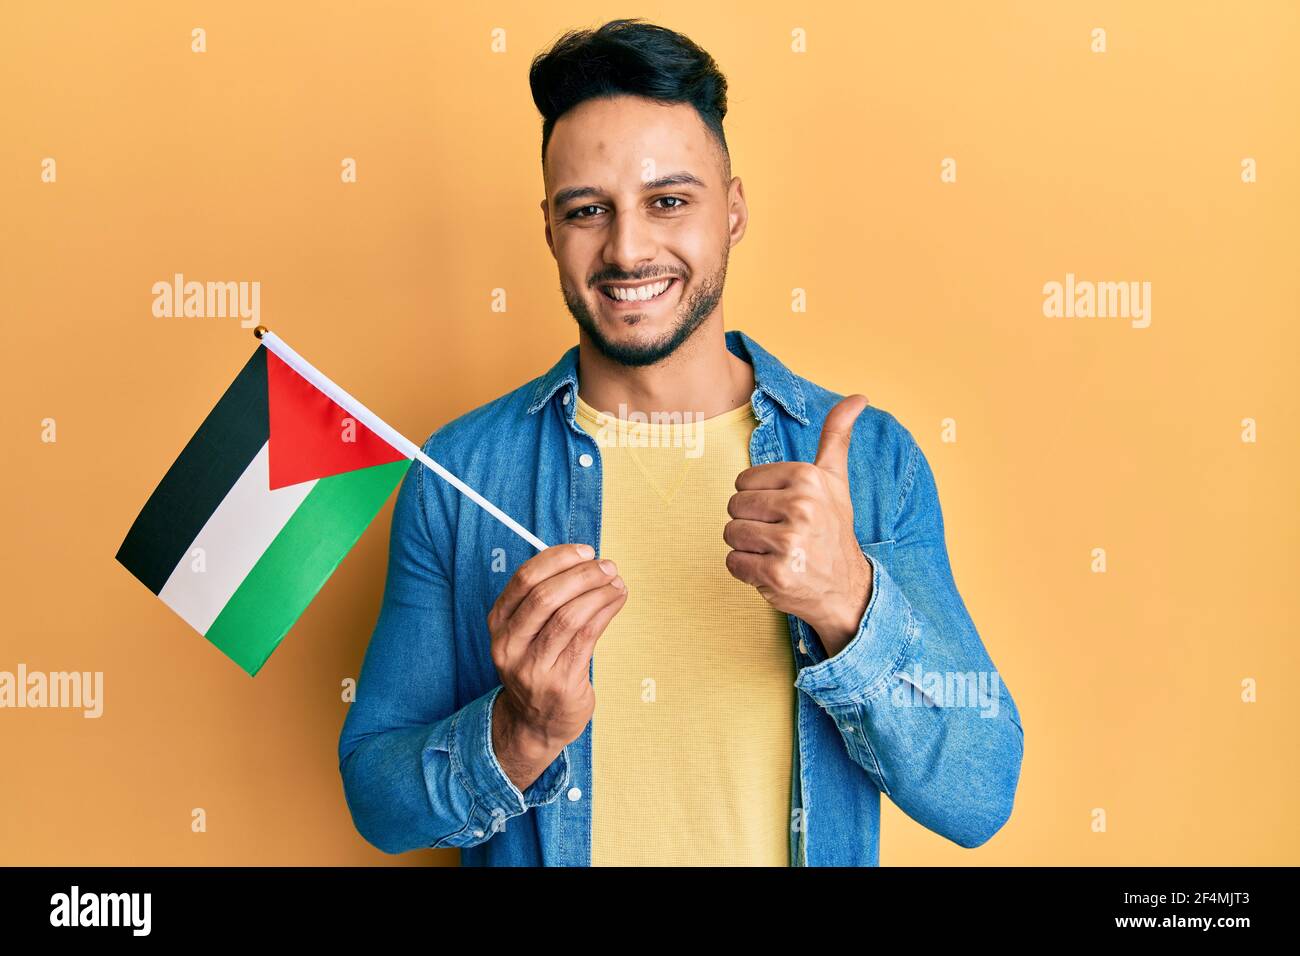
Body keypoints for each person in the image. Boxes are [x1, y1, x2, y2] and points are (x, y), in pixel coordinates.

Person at [338, 17, 1023, 866]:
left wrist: (850, 603)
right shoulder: (461, 474)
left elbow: (981, 793)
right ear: (550, 229)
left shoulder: (870, 465)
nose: (628, 249)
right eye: (588, 211)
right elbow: (377, 796)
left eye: (669, 201)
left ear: (733, 211)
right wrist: (518, 733)